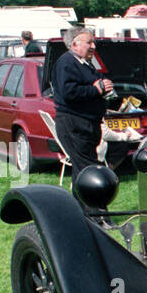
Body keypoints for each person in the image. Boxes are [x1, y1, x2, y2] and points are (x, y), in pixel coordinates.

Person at [52, 28, 115, 180]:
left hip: (87, 124)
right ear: (75, 44)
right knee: (87, 171)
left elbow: (93, 83)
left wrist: (103, 86)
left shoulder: (85, 63)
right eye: (89, 42)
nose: (93, 46)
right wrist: (96, 89)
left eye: (93, 42)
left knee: (82, 171)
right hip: (74, 124)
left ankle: (79, 204)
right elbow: (69, 92)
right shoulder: (66, 63)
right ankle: (94, 204)